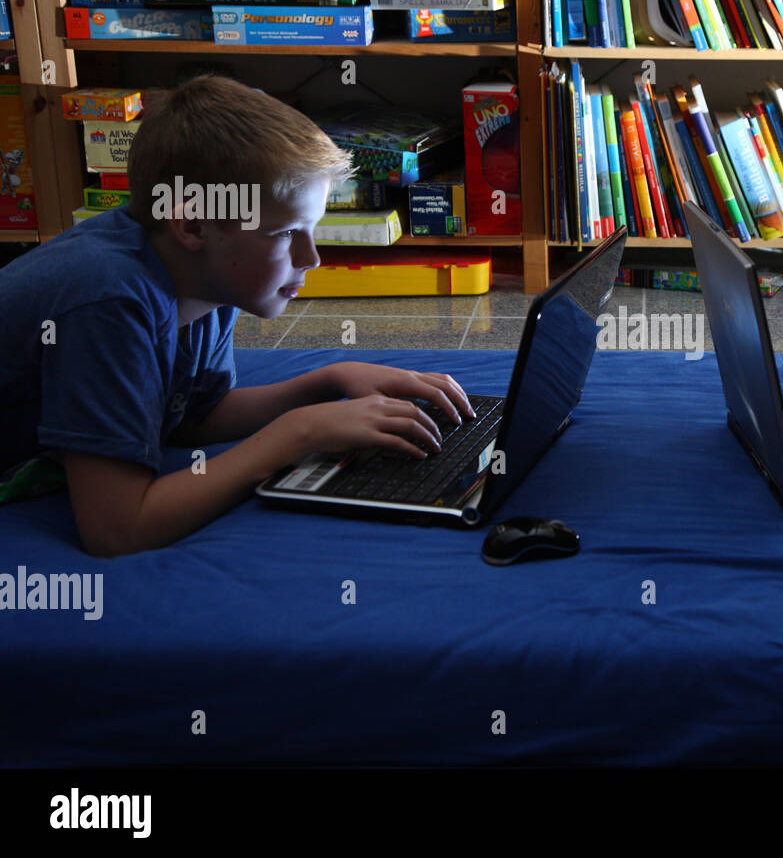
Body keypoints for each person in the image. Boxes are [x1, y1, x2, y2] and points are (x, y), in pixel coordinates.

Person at [0, 75, 473, 554]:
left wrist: (328, 382)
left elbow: (189, 418)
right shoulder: (108, 301)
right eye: (287, 232)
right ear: (191, 224)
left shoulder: (204, 275)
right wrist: (296, 434)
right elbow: (117, 528)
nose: (312, 257)